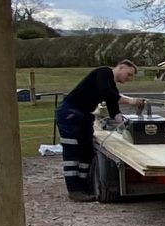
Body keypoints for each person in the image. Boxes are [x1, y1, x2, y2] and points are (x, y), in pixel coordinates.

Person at [55, 58, 138, 198]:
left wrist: (126, 125)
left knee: (86, 151)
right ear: (121, 67)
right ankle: (74, 190)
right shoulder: (103, 72)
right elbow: (106, 92)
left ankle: (84, 187)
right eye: (129, 74)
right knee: (72, 151)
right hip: (71, 112)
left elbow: (114, 109)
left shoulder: (111, 85)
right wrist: (130, 100)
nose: (129, 79)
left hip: (85, 114)